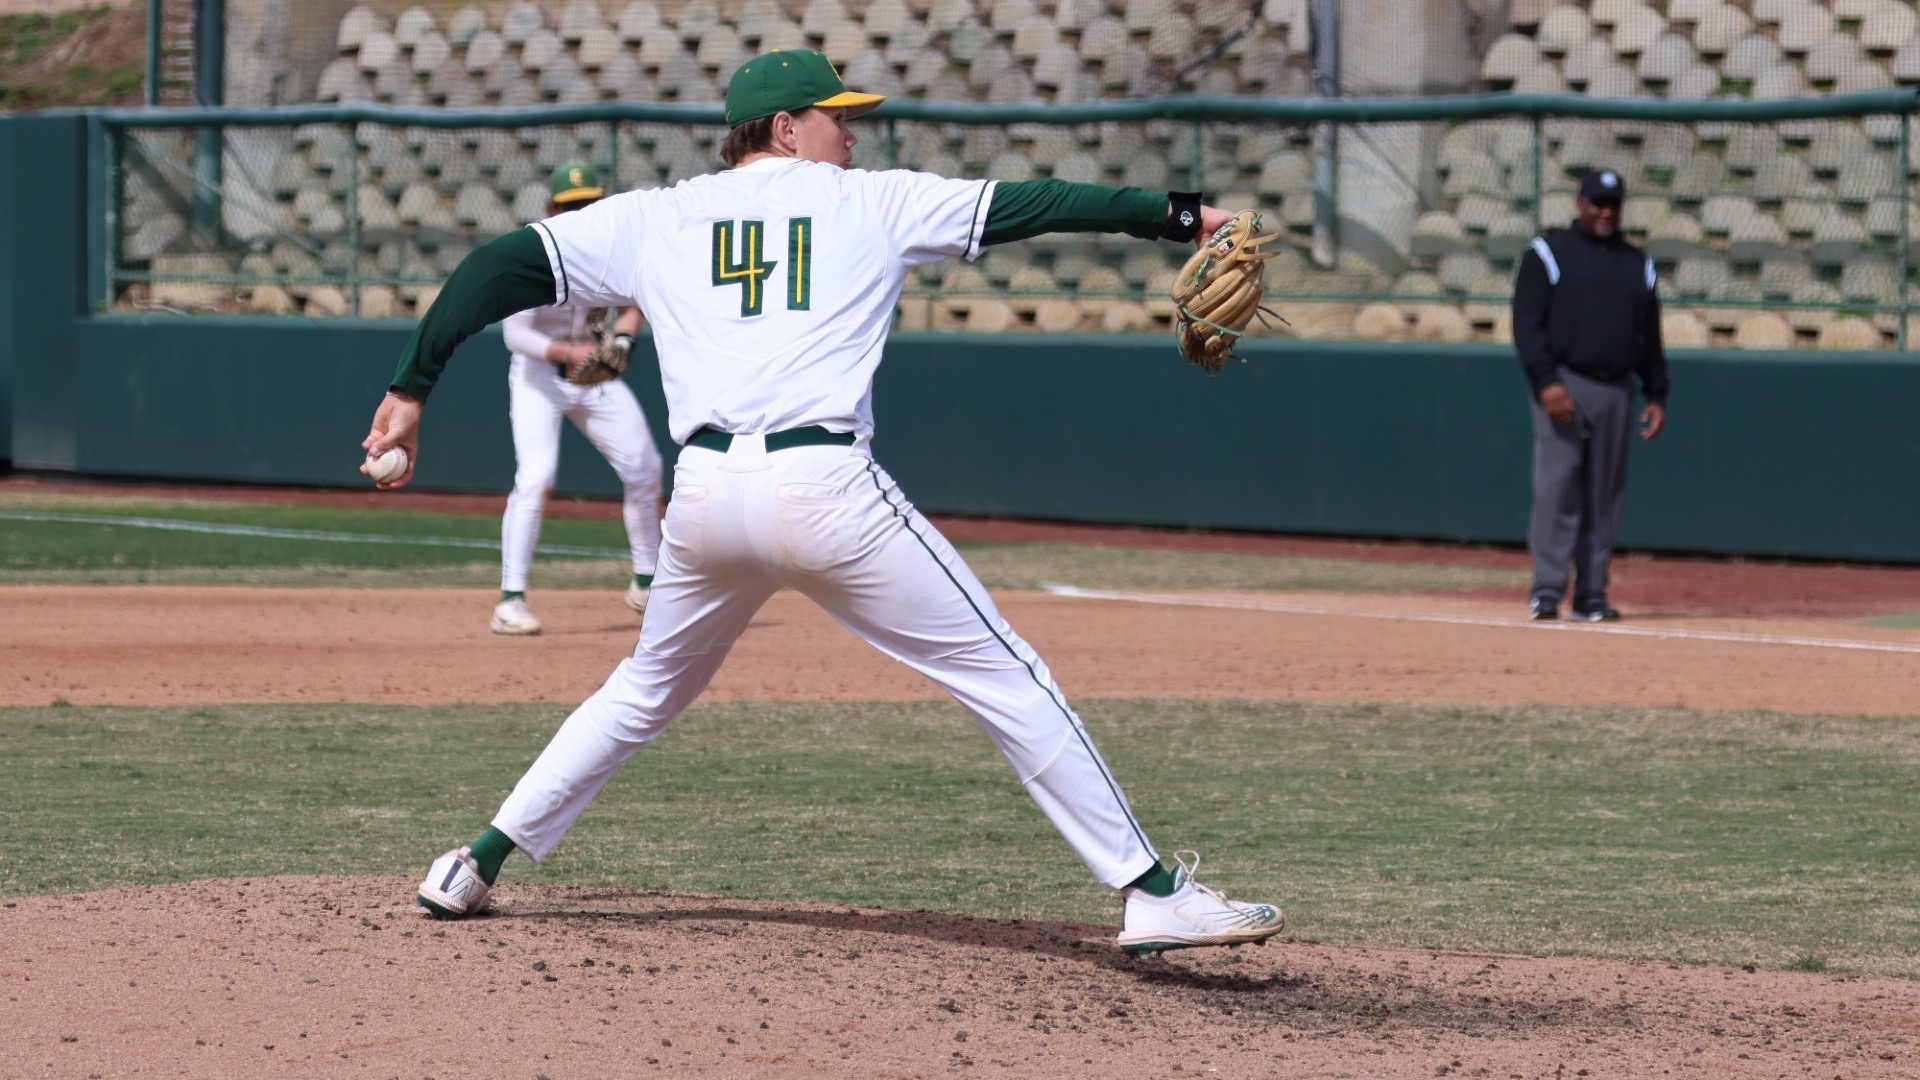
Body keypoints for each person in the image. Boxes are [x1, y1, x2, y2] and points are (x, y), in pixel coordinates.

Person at [364, 49, 1283, 955]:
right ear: (782, 128)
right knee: (1006, 677)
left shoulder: (657, 217)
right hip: (826, 492)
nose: (851, 132)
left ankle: (474, 863)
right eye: (836, 116)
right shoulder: (872, 200)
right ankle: (1155, 893)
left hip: (708, 499)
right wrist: (1180, 215)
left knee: (642, 691)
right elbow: (1036, 203)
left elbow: (492, 267)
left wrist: (411, 389)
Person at [488, 162, 664, 635]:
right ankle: (510, 600)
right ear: (552, 209)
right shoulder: (533, 257)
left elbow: (635, 303)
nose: (581, 211)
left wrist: (623, 342)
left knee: (645, 466)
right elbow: (515, 336)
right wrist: (571, 351)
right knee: (537, 477)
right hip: (539, 376)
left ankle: (648, 582)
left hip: (594, 376)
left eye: (588, 202)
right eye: (571, 205)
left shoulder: (613, 248)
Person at [1511, 166, 1669, 622]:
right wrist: (1546, 382)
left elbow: (1650, 337)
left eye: (1613, 205)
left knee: (1604, 495)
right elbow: (1527, 324)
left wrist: (1656, 392)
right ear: (1579, 203)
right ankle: (1547, 589)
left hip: (1617, 388)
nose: (1605, 212)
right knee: (1557, 488)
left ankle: (1591, 594)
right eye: (1597, 202)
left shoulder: (1637, 265)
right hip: (1566, 381)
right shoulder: (1548, 253)